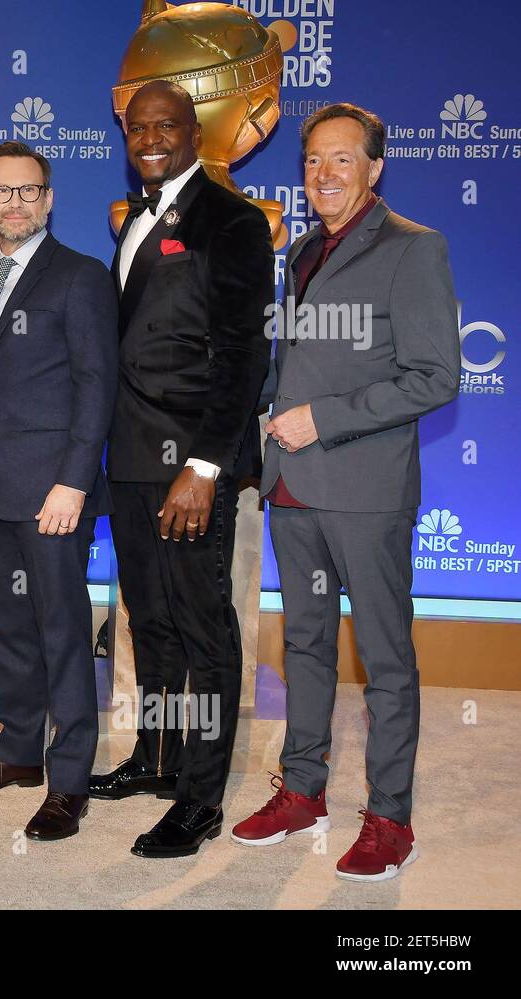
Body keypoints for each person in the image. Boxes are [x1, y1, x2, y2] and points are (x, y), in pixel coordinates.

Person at [232, 103, 460, 881]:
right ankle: (303, 790)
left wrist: (321, 419)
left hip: (365, 487)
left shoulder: (413, 249)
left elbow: (436, 376)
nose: (323, 175)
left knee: (386, 659)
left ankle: (392, 818)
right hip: (292, 486)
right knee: (303, 645)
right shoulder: (300, 251)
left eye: (341, 159)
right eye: (312, 162)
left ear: (374, 167)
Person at [91, 81, 273, 858]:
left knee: (204, 628)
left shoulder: (232, 220)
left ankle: (199, 798)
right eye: (140, 128)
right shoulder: (135, 216)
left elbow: (243, 354)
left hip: (190, 462)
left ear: (196, 133)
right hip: (131, 458)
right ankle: (155, 760)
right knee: (151, 621)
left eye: (168, 126)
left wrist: (205, 464)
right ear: (125, 136)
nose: (153, 138)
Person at [0, 142, 118, 842]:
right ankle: (17, 753)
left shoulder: (80, 277)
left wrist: (75, 480)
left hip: (52, 495)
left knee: (63, 634)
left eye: (28, 190)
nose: (14, 202)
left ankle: (69, 780)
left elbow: (96, 385)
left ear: (47, 200)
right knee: (10, 631)